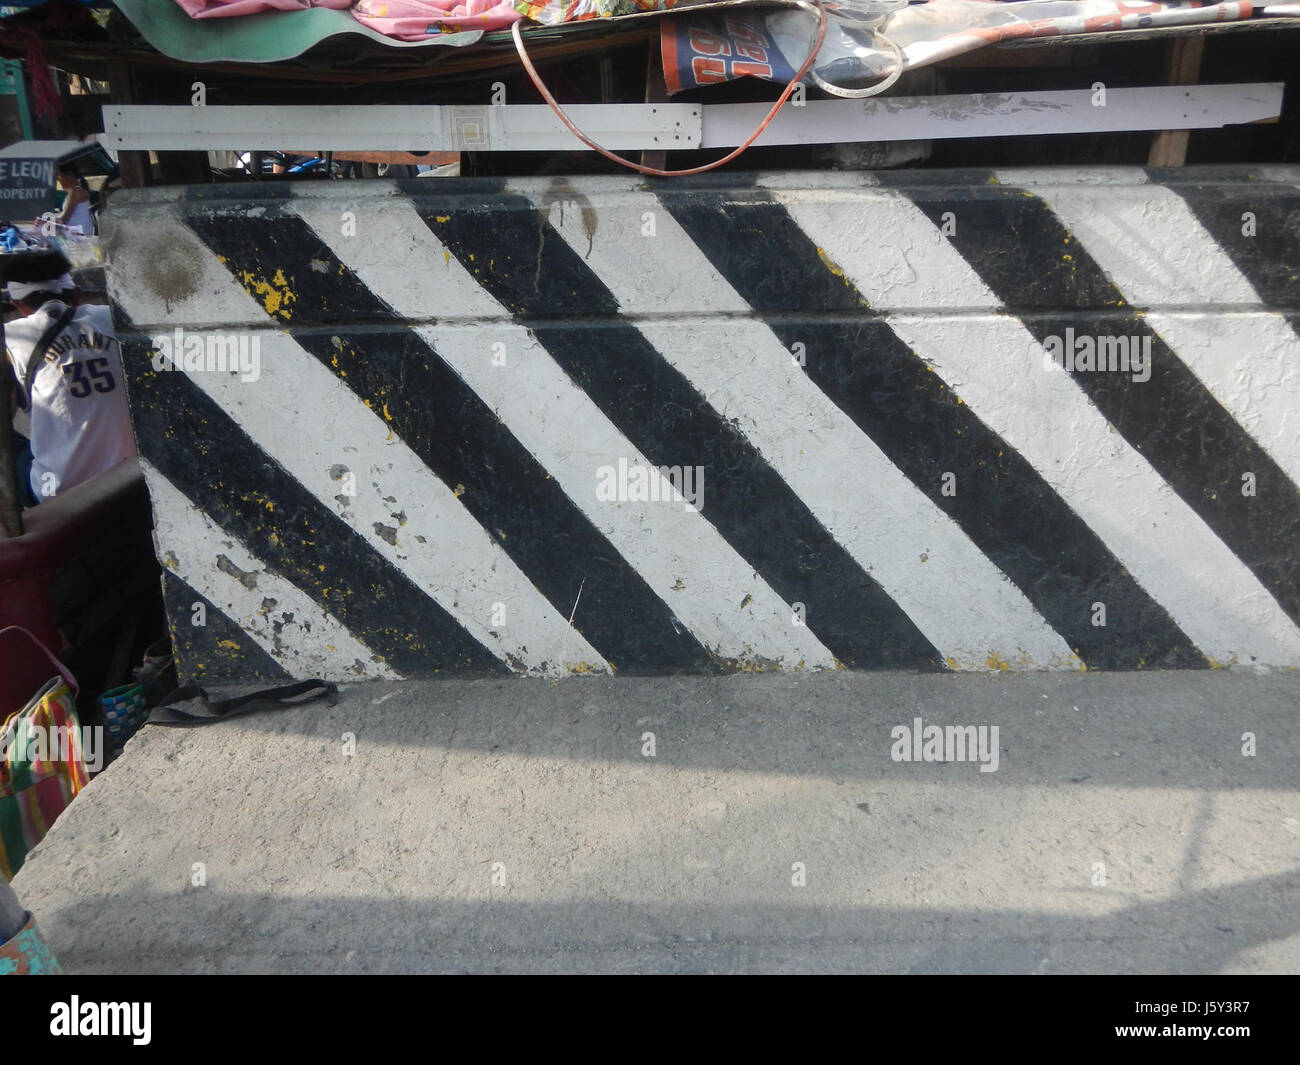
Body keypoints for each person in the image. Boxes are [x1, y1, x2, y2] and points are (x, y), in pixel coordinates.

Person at [4, 250, 136, 506]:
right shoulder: (110, 318)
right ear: (76, 294)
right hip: (130, 471)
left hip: (53, 490)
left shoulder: (9, 338)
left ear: (18, 305)